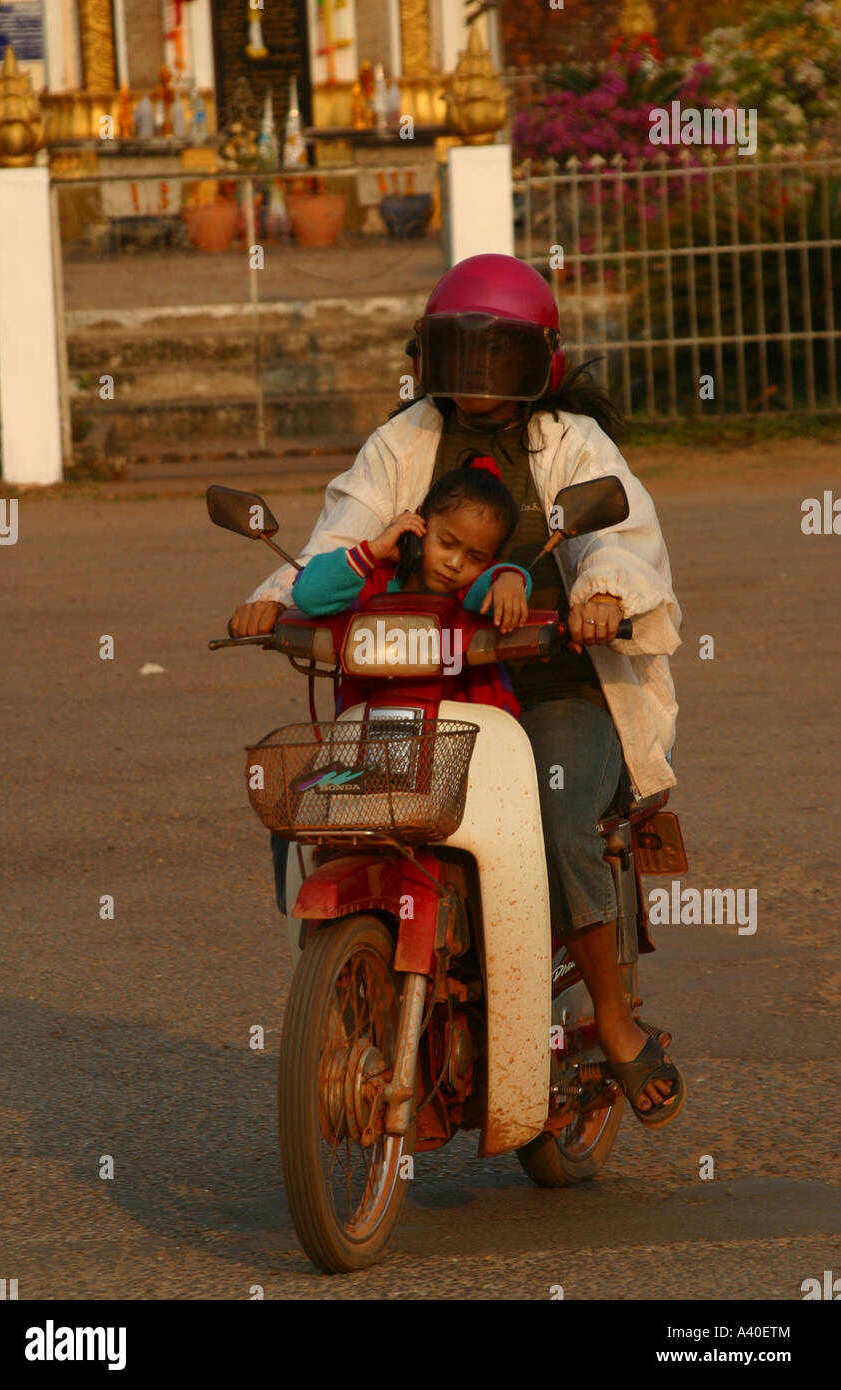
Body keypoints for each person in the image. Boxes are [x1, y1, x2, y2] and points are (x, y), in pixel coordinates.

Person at [231, 253, 684, 1127]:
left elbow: (618, 530)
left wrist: (601, 596)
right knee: (330, 800)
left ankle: (618, 1024)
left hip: (554, 679)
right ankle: (364, 979)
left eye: (496, 358)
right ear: (428, 356)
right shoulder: (402, 441)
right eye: (459, 356)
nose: (476, 379)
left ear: (537, 362)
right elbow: (345, 529)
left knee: (556, 817)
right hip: (421, 672)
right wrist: (275, 599)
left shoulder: (573, 445)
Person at [291, 461, 532, 717]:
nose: (454, 563)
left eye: (475, 558)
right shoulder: (374, 581)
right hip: (368, 725)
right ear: (419, 521)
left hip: (466, 730)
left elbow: (490, 595)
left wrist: (510, 577)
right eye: (446, 542)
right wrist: (373, 551)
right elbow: (308, 595)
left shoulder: (471, 590)